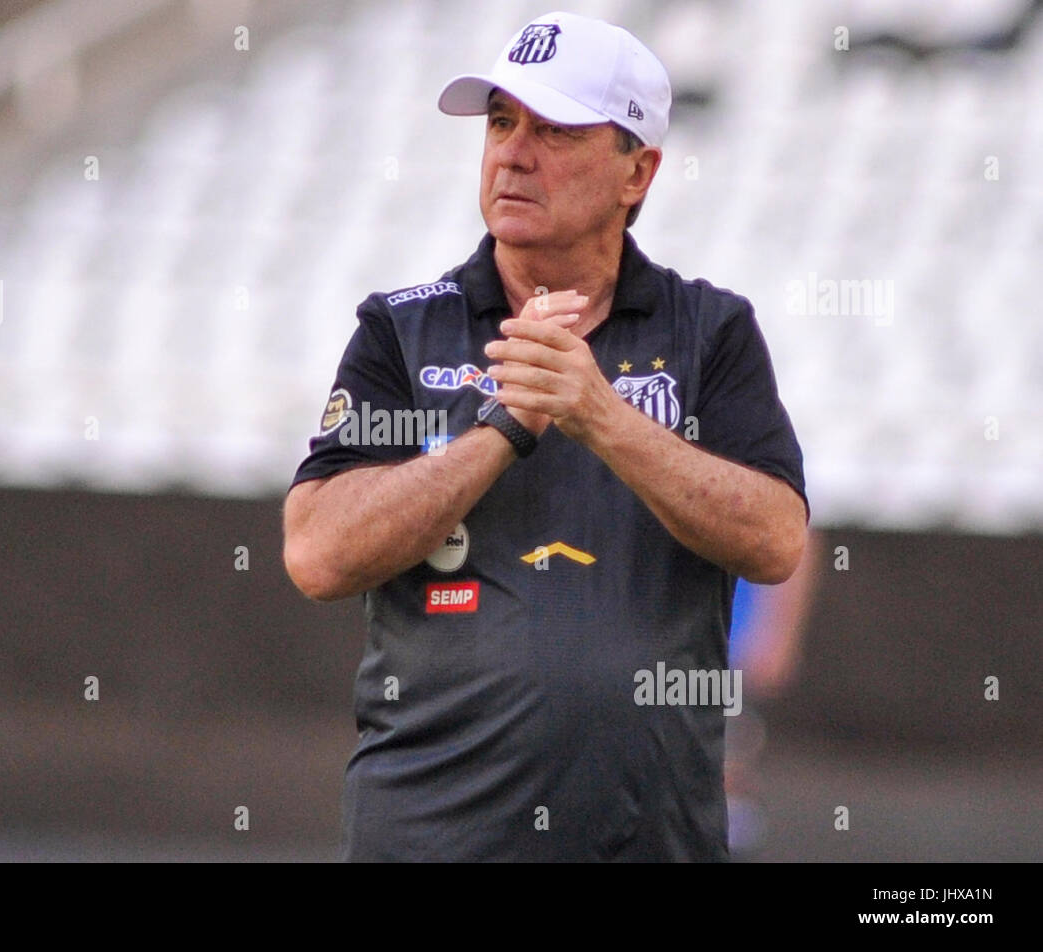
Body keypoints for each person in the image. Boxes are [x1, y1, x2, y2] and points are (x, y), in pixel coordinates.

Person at [283, 11, 809, 861]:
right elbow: (318, 555)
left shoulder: (711, 330)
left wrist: (598, 414)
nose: (513, 153)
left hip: (650, 839)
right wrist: (503, 427)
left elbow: (776, 538)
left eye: (556, 130)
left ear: (637, 171)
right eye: (500, 123)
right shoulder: (402, 331)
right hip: (427, 840)